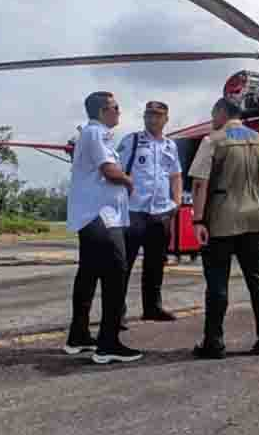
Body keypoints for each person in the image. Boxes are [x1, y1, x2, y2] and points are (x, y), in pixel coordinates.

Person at [188, 97, 259, 359]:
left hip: (222, 220)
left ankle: (214, 343)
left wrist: (198, 220)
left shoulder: (213, 140)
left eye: (213, 114)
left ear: (221, 112)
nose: (212, 119)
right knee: (258, 278)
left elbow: (200, 183)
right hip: (257, 217)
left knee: (217, 281)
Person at [63, 91, 142, 364]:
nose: (119, 111)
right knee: (116, 275)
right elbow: (109, 171)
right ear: (101, 111)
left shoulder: (91, 133)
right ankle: (108, 344)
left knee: (88, 275)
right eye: (115, 107)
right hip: (102, 217)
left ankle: (78, 336)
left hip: (91, 217)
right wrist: (129, 180)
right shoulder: (97, 133)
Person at [117, 100, 182, 322]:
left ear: (166, 119)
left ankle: (152, 307)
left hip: (160, 213)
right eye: (149, 115)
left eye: (158, 115)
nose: (153, 119)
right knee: (123, 265)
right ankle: (117, 313)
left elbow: (175, 175)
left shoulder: (170, 146)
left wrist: (176, 202)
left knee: (155, 264)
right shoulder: (132, 141)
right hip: (134, 211)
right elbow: (117, 170)